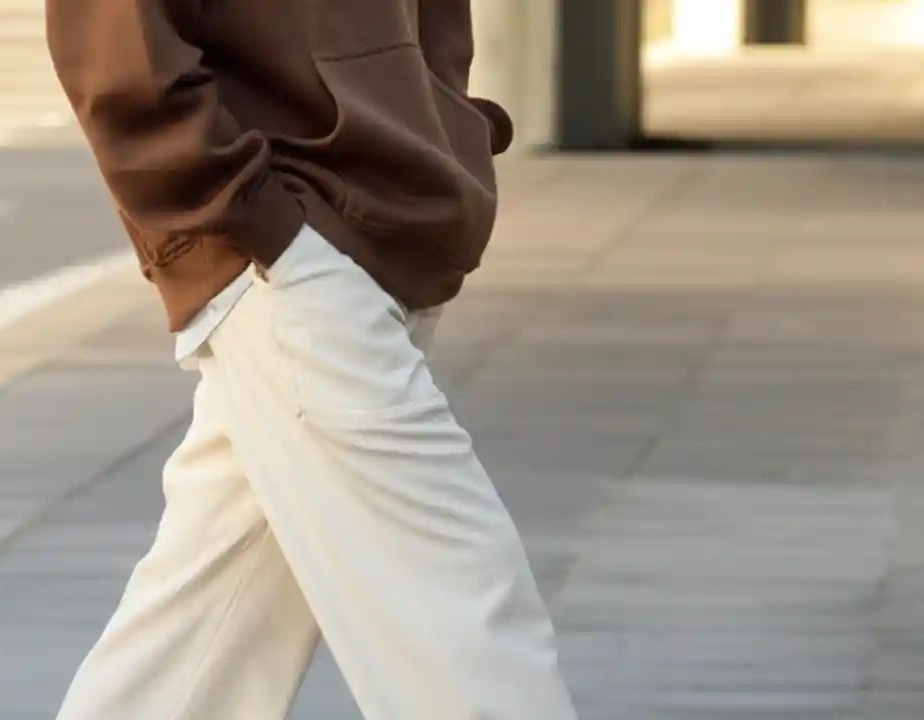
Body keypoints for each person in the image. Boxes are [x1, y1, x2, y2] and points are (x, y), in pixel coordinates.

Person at [45, 2, 579, 718]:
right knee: (459, 605)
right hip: (287, 260)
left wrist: (444, 130)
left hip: (362, 232)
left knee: (198, 638)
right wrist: (267, 231)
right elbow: (117, 46)